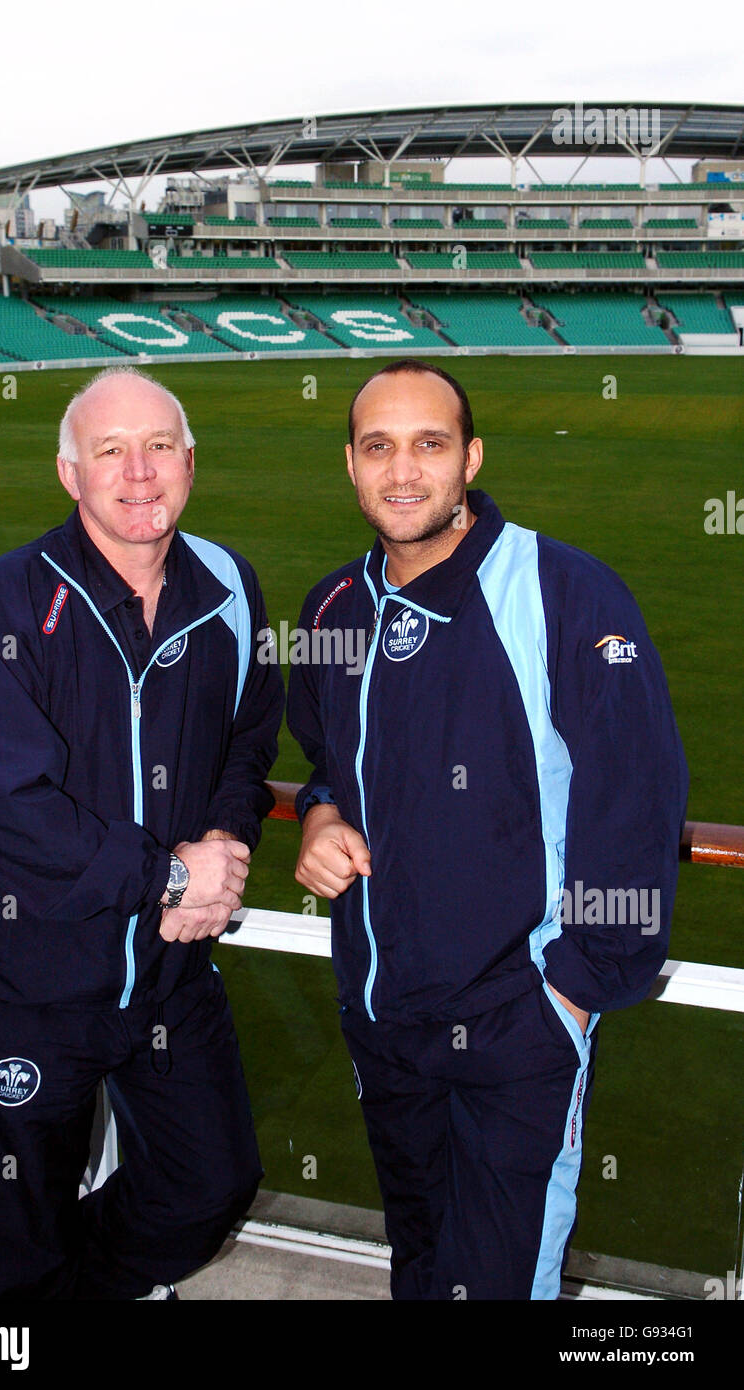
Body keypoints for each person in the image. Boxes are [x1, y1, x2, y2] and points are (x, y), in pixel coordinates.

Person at [287, 358, 687, 1301]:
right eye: (379, 447)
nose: (402, 472)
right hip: (385, 1023)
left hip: (519, 1029)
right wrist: (320, 812)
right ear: (350, 463)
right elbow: (326, 757)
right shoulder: (334, 610)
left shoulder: (563, 592)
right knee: (422, 1270)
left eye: (429, 445)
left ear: (471, 457)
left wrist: (578, 991)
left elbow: (637, 796)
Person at [0, 365, 284, 1300]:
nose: (138, 473)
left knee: (212, 1181)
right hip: (22, 984)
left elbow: (249, 740)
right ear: (69, 473)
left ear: (191, 463)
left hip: (167, 976)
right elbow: (3, 813)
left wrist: (223, 850)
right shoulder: (0, 606)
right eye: (110, 451)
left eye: (158, 446)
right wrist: (168, 877)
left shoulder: (229, 589)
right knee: (14, 1224)